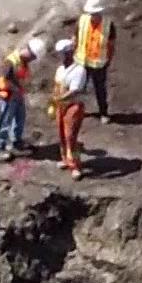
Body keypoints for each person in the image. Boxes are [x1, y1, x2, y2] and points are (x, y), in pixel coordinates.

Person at [0, 38, 48, 160]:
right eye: (33, 57)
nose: (33, 60)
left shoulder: (23, 62)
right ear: (29, 52)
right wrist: (15, 89)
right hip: (8, 97)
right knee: (5, 122)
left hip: (18, 96)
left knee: (20, 119)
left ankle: (16, 142)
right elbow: (3, 79)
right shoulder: (10, 61)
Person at [52, 38, 93, 179]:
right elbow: (57, 86)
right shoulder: (60, 69)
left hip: (73, 106)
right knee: (61, 134)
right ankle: (65, 159)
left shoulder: (79, 70)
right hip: (60, 106)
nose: (60, 57)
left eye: (62, 54)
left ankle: (75, 165)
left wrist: (59, 99)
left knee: (70, 136)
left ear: (69, 53)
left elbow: (74, 90)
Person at [73, 0, 117, 121]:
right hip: (81, 62)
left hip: (99, 65)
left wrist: (108, 60)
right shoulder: (82, 21)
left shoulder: (108, 25)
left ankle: (104, 113)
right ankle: (77, 111)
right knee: (78, 87)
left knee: (100, 90)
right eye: (91, 14)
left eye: (96, 14)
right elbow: (75, 37)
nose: (93, 17)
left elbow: (111, 45)